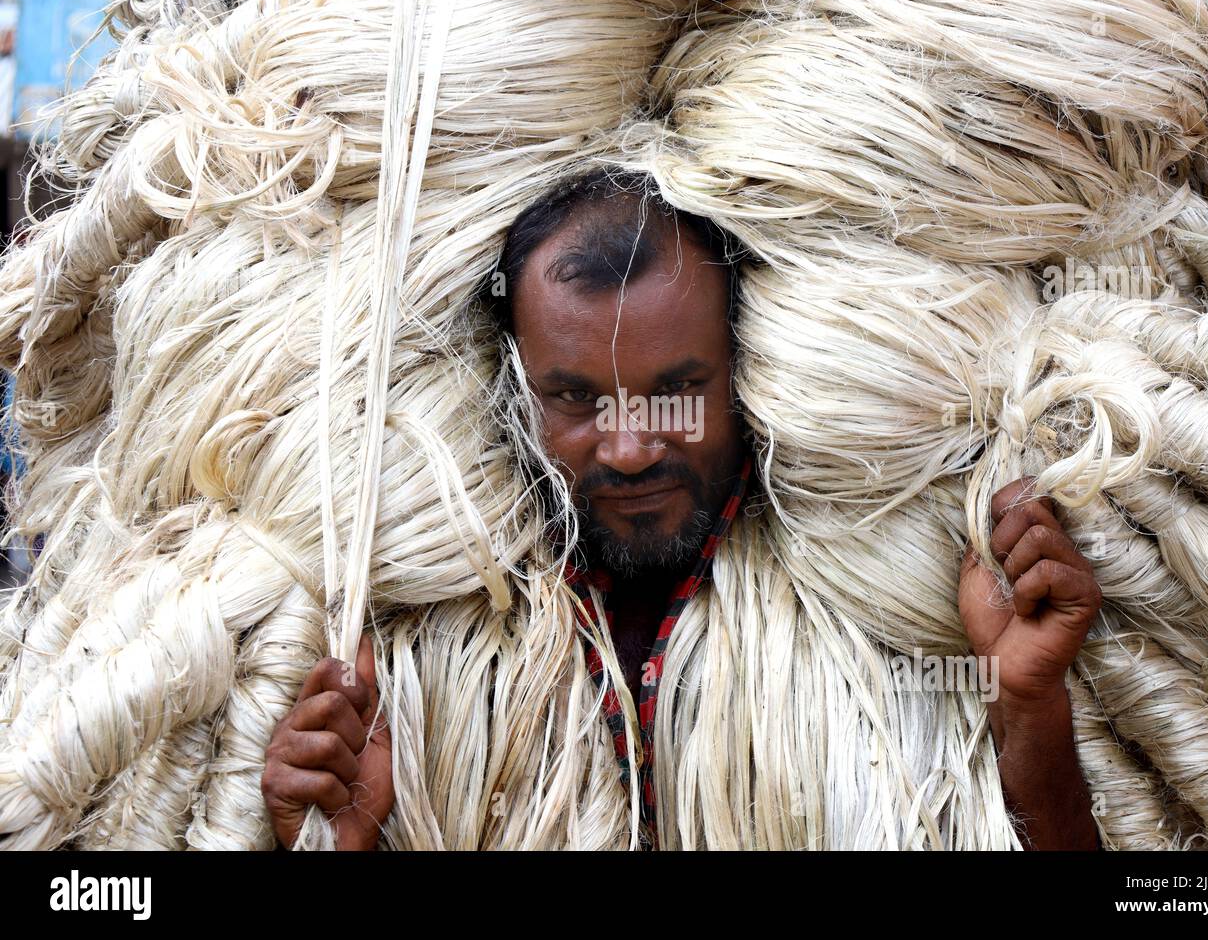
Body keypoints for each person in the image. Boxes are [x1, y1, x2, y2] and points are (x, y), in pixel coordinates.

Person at [261, 169, 1103, 850]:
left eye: (677, 391)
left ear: (742, 367)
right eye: (575, 398)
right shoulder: (432, 654)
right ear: (517, 385)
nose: (628, 449)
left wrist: (1027, 706)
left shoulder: (869, 602)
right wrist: (344, 844)